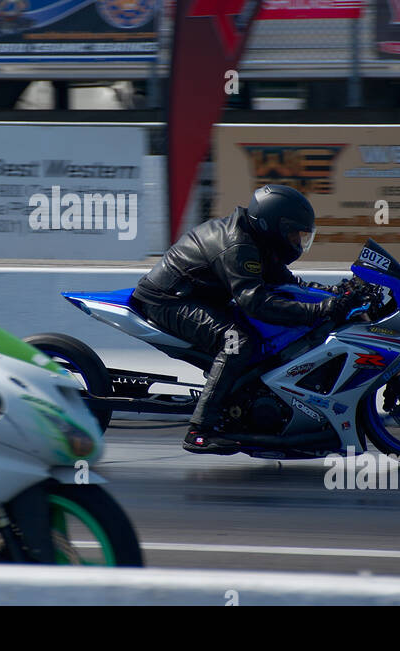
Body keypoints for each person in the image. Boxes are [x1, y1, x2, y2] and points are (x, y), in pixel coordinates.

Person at [132, 185, 367, 454]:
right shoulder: (238, 246)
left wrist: (335, 293)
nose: (295, 241)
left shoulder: (259, 240)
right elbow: (256, 303)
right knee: (238, 342)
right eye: (292, 233)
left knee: (261, 340)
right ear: (272, 225)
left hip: (202, 297)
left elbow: (289, 284)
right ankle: (200, 430)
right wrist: (322, 309)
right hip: (169, 300)